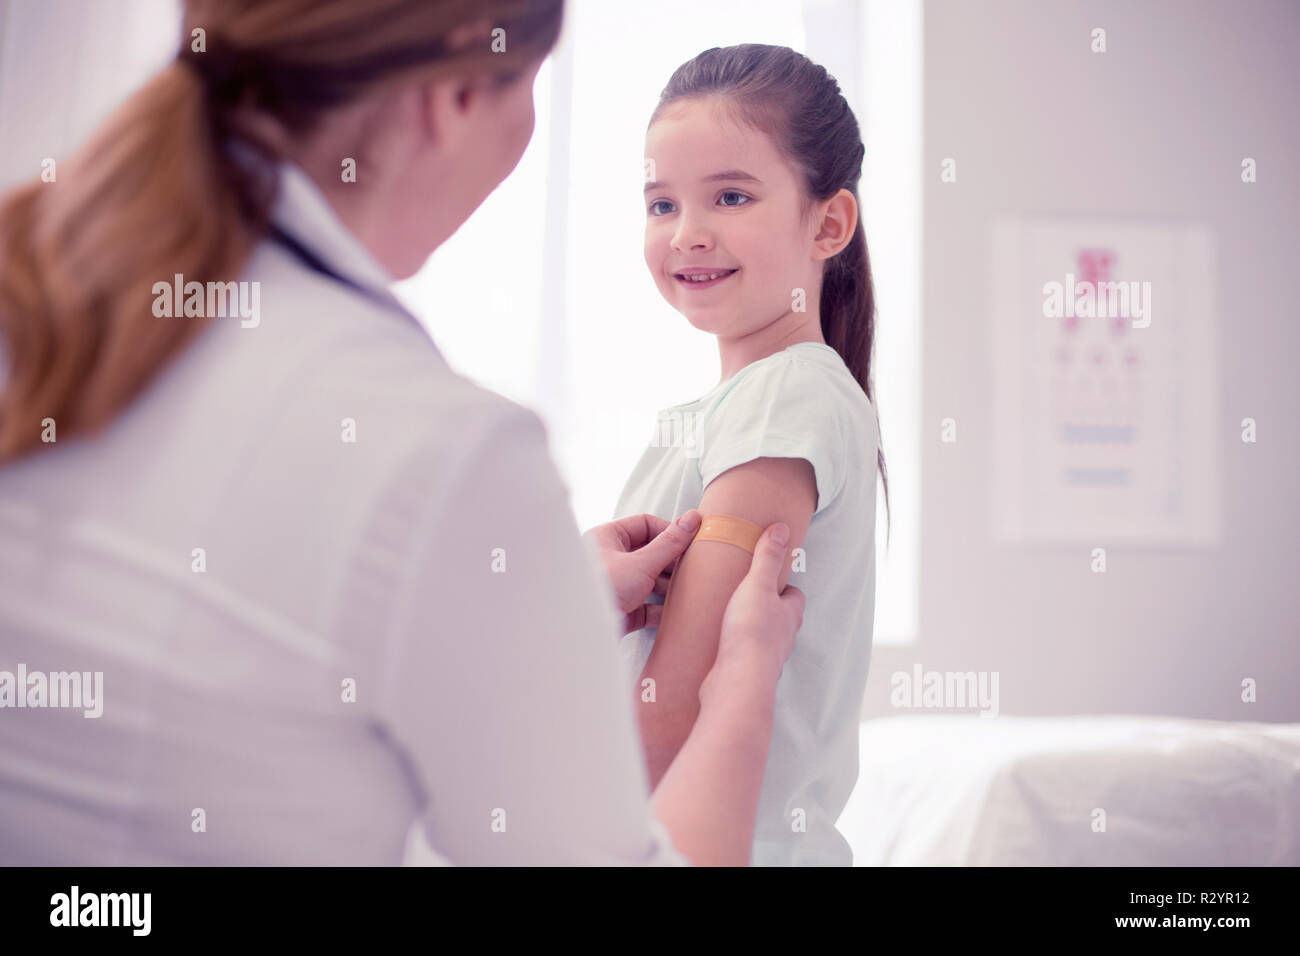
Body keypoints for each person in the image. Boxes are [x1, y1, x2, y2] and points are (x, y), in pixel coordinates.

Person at [0, 0, 803, 867]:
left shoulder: (42, 290)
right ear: (457, 92)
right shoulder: (451, 452)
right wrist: (746, 682)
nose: (687, 233)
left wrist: (511, 602)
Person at [618, 44, 888, 865]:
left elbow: (676, 709)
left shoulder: (784, 399)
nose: (688, 234)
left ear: (829, 222)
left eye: (730, 196)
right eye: (661, 205)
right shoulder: (756, 405)